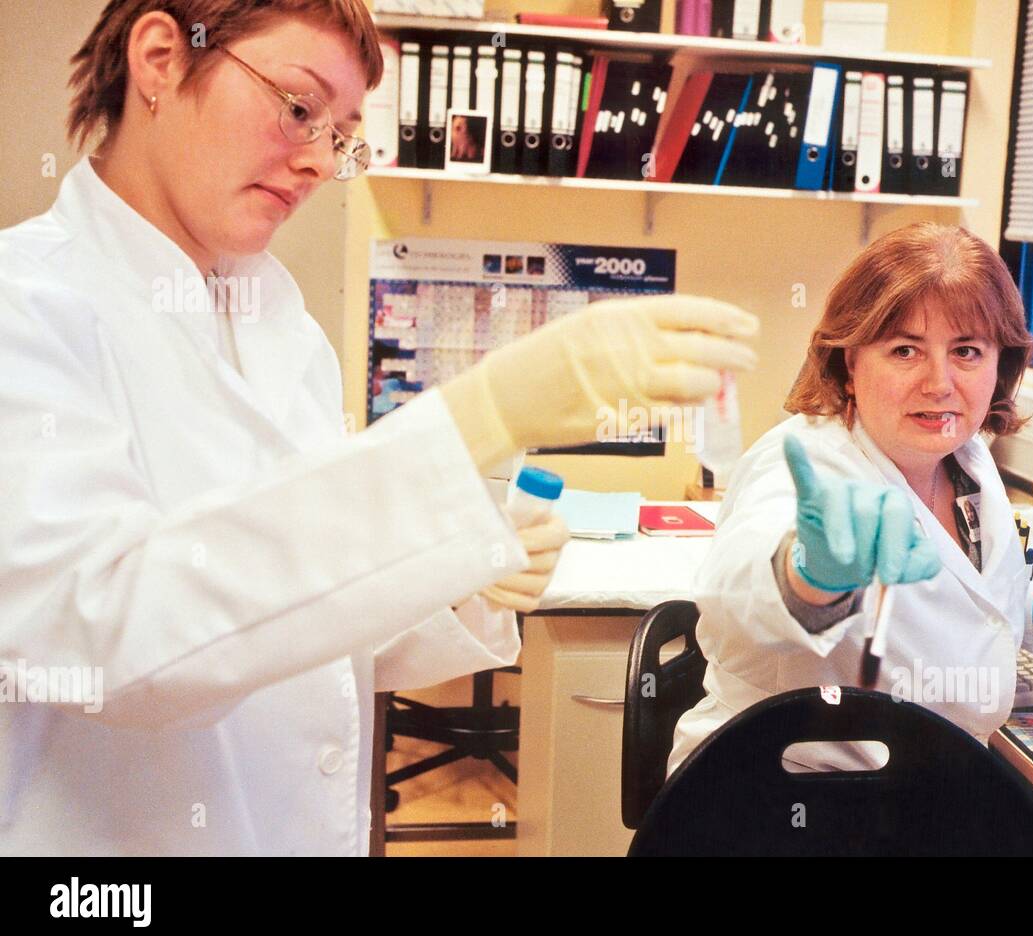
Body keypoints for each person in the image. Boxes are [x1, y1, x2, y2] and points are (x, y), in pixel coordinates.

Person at [0, 0, 758, 855]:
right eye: (298, 107)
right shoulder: (24, 309)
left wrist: (467, 573)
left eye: (343, 134)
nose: (321, 160)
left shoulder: (274, 315)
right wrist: (477, 418)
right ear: (161, 58)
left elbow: (313, 628)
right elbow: (110, 637)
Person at [668, 223, 1033, 774]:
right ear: (849, 361)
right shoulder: (802, 466)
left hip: (923, 787)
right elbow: (736, 598)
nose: (939, 382)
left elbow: (961, 588)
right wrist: (810, 581)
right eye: (905, 351)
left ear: (1001, 365)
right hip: (790, 802)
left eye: (967, 351)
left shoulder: (965, 457)